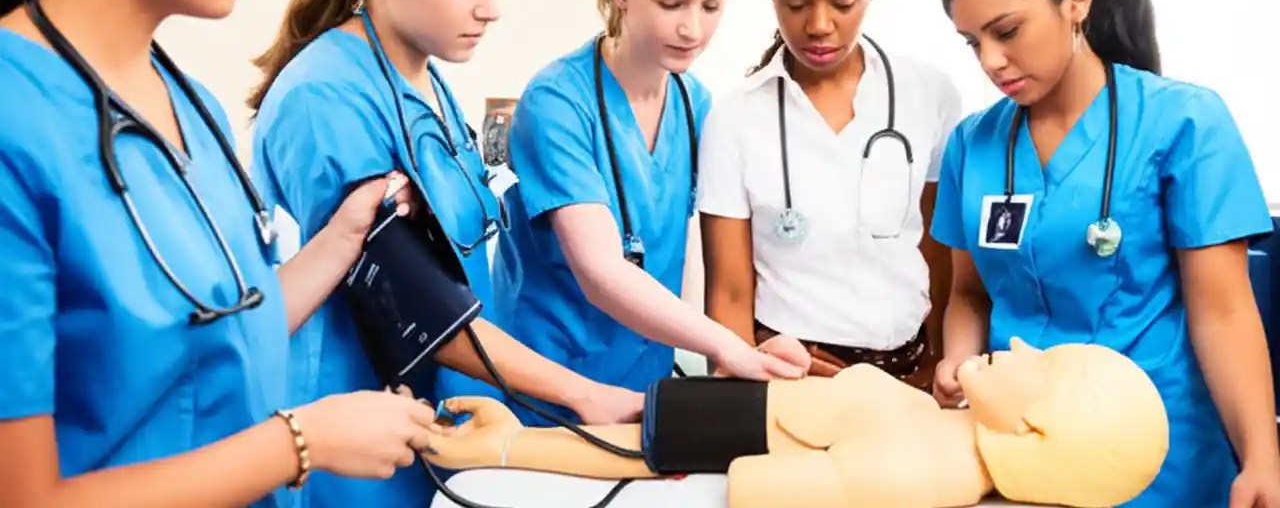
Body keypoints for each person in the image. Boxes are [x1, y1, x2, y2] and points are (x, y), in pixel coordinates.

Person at [0, 0, 441, 507]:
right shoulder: (14, 116)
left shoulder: (193, 106)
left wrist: (343, 235)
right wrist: (303, 441)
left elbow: (233, 323)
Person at [249, 0, 646, 507]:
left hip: (437, 422)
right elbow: (415, 299)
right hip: (352, 438)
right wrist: (577, 391)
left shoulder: (428, 81)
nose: (491, 8)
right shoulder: (326, 97)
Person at [929, 0, 1280, 507]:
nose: (990, 61)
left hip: (1154, 456)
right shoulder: (972, 143)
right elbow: (968, 293)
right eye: (972, 42)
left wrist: (1261, 458)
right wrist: (958, 361)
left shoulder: (1184, 121)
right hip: (1018, 453)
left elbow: (1223, 312)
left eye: (1007, 31)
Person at [492, 0, 808, 427]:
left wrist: (756, 336)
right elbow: (599, 270)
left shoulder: (695, 104)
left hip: (646, 384)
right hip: (551, 386)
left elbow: (710, 253)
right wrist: (726, 346)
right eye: (672, 4)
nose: (694, 29)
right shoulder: (558, 103)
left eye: (712, 6)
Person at [697, 0, 961, 387]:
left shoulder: (928, 93)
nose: (819, 26)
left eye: (844, 2)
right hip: (789, 372)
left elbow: (939, 249)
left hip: (910, 372)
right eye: (795, 2)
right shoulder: (735, 119)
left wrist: (938, 360)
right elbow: (729, 294)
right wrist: (745, 374)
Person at [419, 338, 1170, 508]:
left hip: (736, 432)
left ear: (1038, 432)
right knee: (630, 436)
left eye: (1043, 367)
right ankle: (504, 441)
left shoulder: (922, 473)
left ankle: (503, 444)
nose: (1019, 347)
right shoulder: (947, 432)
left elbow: (749, 484)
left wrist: (779, 424)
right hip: (749, 404)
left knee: (633, 445)